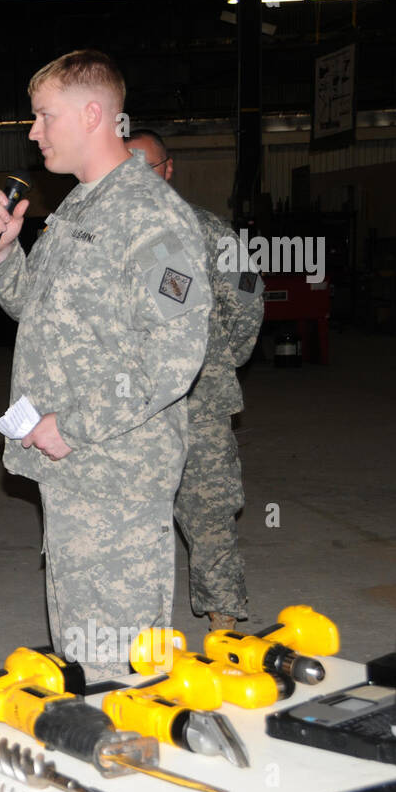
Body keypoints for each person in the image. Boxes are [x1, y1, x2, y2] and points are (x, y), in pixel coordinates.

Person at [0, 50, 211, 683]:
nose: (34, 132)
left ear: (91, 114)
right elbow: (37, 307)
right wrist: (3, 256)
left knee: (126, 665)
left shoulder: (152, 218)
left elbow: (176, 356)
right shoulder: (78, 207)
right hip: (75, 469)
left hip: (117, 472)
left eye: (44, 117)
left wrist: (72, 425)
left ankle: (135, 766)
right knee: (84, 652)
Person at [126, 128, 264, 632]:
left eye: (148, 167)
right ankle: (135, 624)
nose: (139, 178)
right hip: (130, 404)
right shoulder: (109, 237)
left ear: (168, 169)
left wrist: (216, 365)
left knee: (208, 508)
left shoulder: (209, 231)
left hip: (197, 401)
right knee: (130, 514)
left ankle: (223, 620)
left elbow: (247, 303)